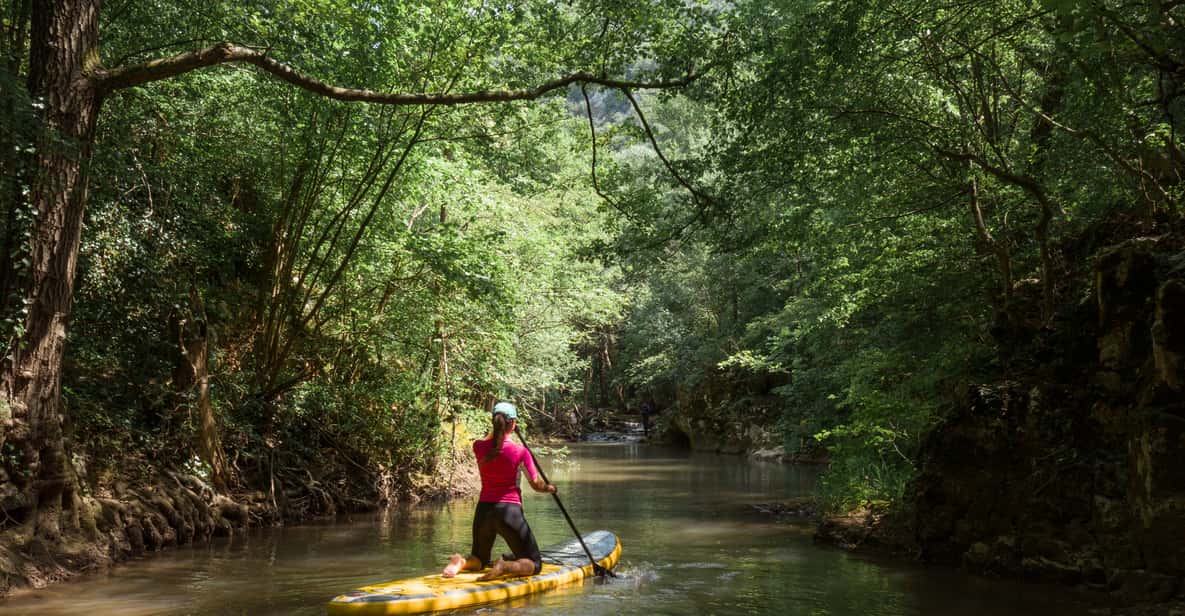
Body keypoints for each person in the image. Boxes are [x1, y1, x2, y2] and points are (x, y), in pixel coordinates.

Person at [441, 401, 557, 581]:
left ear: (494, 422)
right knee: (534, 564)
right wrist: (550, 488)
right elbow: (535, 485)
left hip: (484, 510)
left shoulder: (478, 447)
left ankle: (461, 561)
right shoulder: (520, 452)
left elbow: (492, 441)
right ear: (513, 423)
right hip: (509, 512)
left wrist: (498, 429)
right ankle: (505, 566)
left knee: (479, 559)